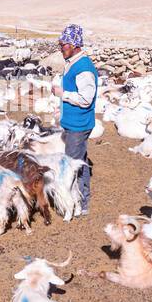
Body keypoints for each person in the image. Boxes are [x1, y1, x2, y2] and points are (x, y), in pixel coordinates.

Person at [51, 23, 95, 215]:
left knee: (71, 165)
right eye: (60, 44)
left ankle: (77, 203)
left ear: (75, 44)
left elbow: (86, 99)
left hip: (79, 125)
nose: (61, 48)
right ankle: (81, 199)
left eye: (64, 45)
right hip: (73, 122)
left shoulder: (83, 68)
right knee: (80, 161)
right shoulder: (73, 63)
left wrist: (63, 94)